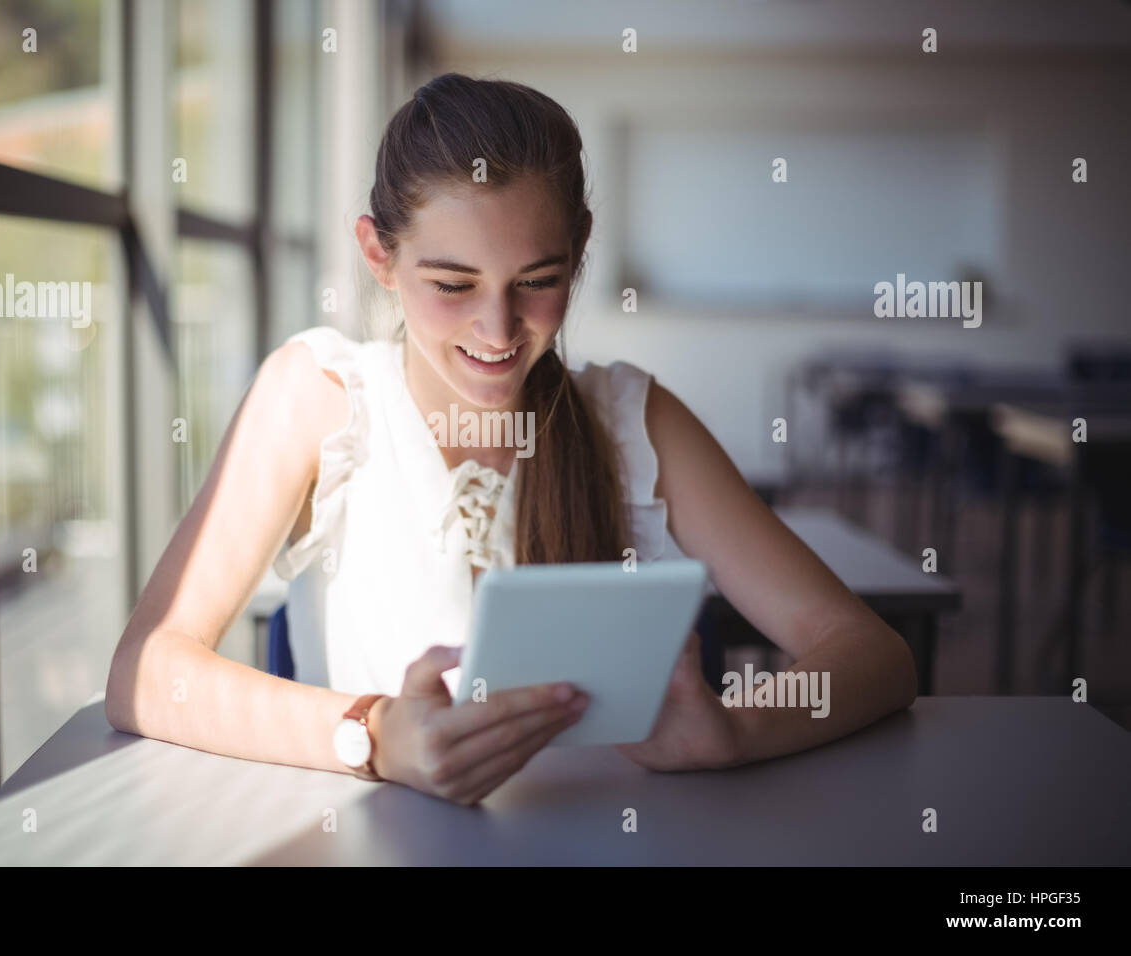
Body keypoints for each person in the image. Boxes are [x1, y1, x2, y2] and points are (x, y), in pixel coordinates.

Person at [105, 73, 916, 806]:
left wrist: (738, 729)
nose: (497, 330)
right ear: (378, 257)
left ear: (580, 253)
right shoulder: (320, 397)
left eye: (538, 281)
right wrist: (378, 736)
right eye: (453, 285)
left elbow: (872, 654)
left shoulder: (633, 418)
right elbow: (148, 673)